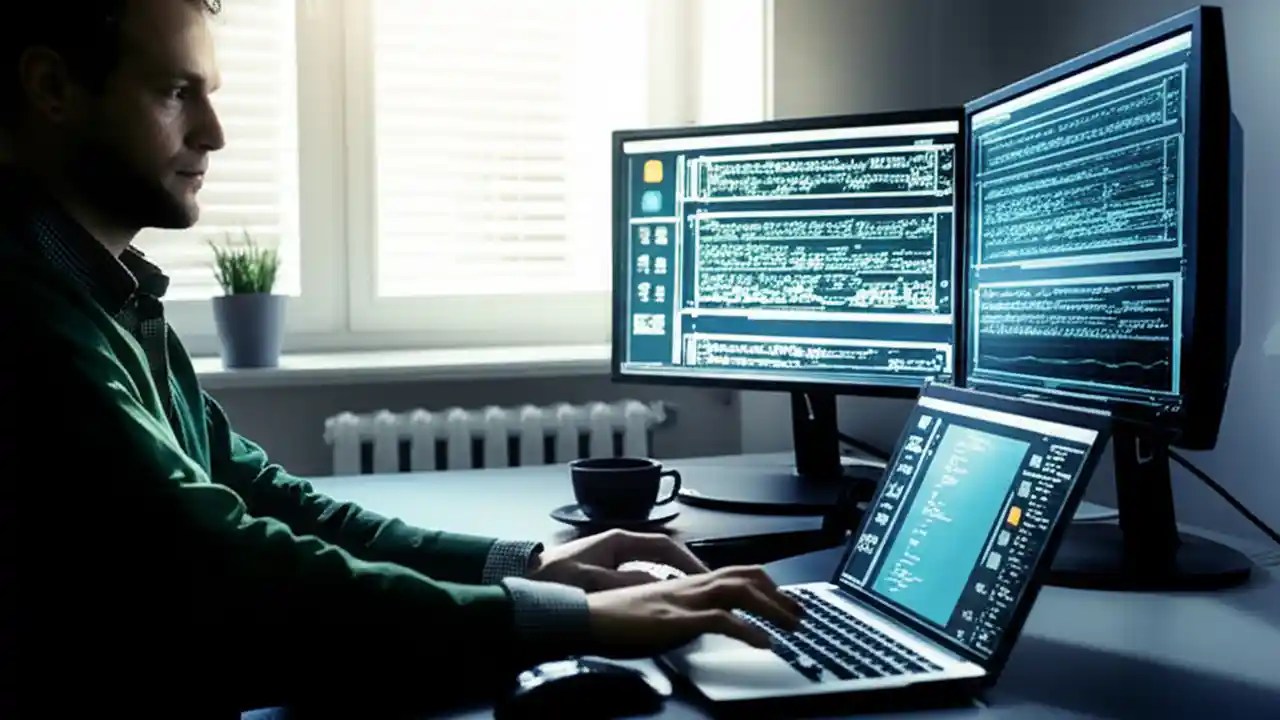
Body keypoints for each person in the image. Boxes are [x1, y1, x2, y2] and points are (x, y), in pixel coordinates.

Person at [0, 0, 803, 715]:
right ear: (53, 88)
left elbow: (262, 496)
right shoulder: (22, 317)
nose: (214, 132)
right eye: (177, 93)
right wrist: (577, 620)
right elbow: (226, 562)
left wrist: (528, 565)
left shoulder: (111, 294)